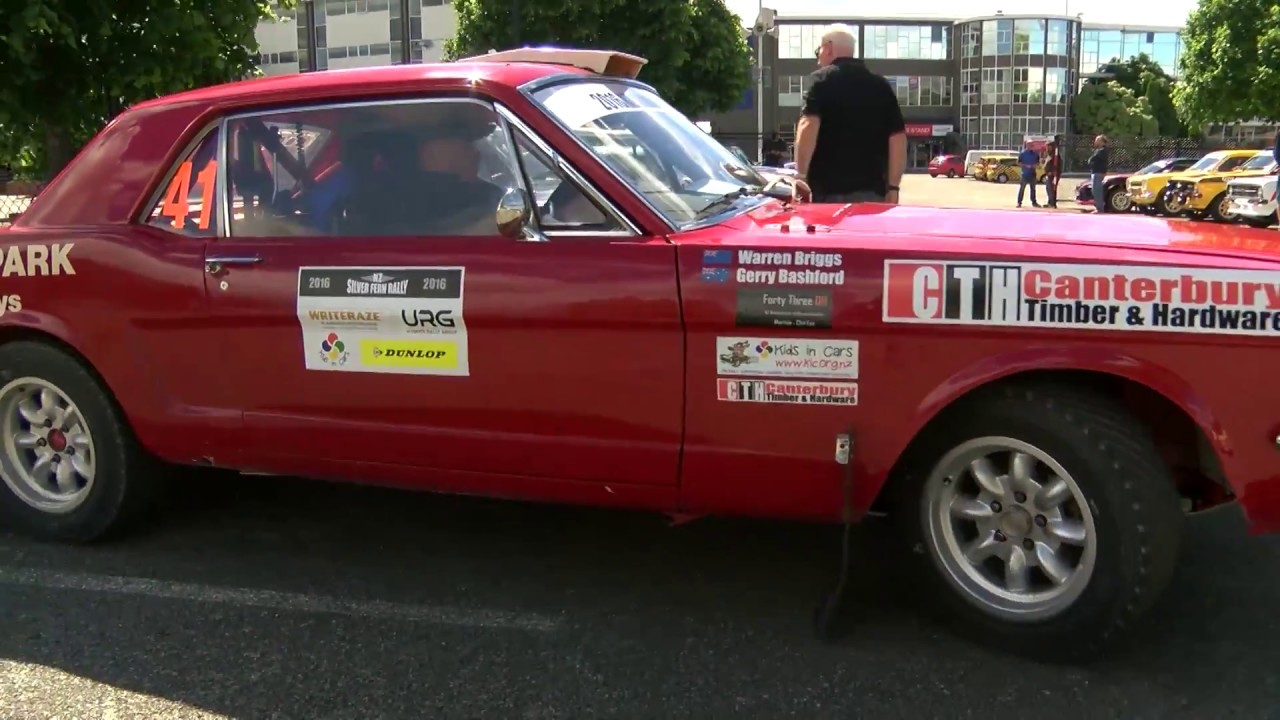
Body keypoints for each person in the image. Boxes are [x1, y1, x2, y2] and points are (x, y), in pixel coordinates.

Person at [792, 23, 906, 204]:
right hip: (873, 193)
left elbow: (808, 125)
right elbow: (898, 139)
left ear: (828, 48)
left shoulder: (820, 80)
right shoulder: (881, 86)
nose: (818, 58)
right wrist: (893, 187)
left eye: (818, 51)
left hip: (827, 192)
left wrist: (801, 176)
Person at [1088, 135, 1110, 213]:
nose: (1095, 141)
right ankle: (1098, 206)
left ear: (1102, 142)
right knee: (1094, 190)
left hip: (1098, 172)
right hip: (1095, 172)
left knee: (1097, 190)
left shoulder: (1103, 151)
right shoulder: (1098, 150)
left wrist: (1091, 160)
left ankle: (1100, 208)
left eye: (1097, 140)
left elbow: (1094, 159)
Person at [1015, 140, 1040, 208]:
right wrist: (1025, 165)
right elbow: (1018, 162)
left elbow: (1038, 162)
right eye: (1029, 144)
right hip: (1025, 174)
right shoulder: (1022, 153)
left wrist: (1035, 165)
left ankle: (1034, 202)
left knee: (1033, 189)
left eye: (1032, 144)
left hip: (1032, 173)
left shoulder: (1035, 154)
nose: (1031, 146)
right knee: (1022, 189)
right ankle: (1019, 202)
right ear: (1026, 145)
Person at [1043, 141, 1062, 208]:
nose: (1047, 148)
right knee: (1048, 189)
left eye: (1048, 146)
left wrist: (1052, 172)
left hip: (1053, 175)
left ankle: (1052, 203)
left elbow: (1057, 165)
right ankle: (1050, 202)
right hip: (1048, 175)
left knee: (1052, 189)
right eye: (1046, 146)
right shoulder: (1049, 154)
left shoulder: (1055, 155)